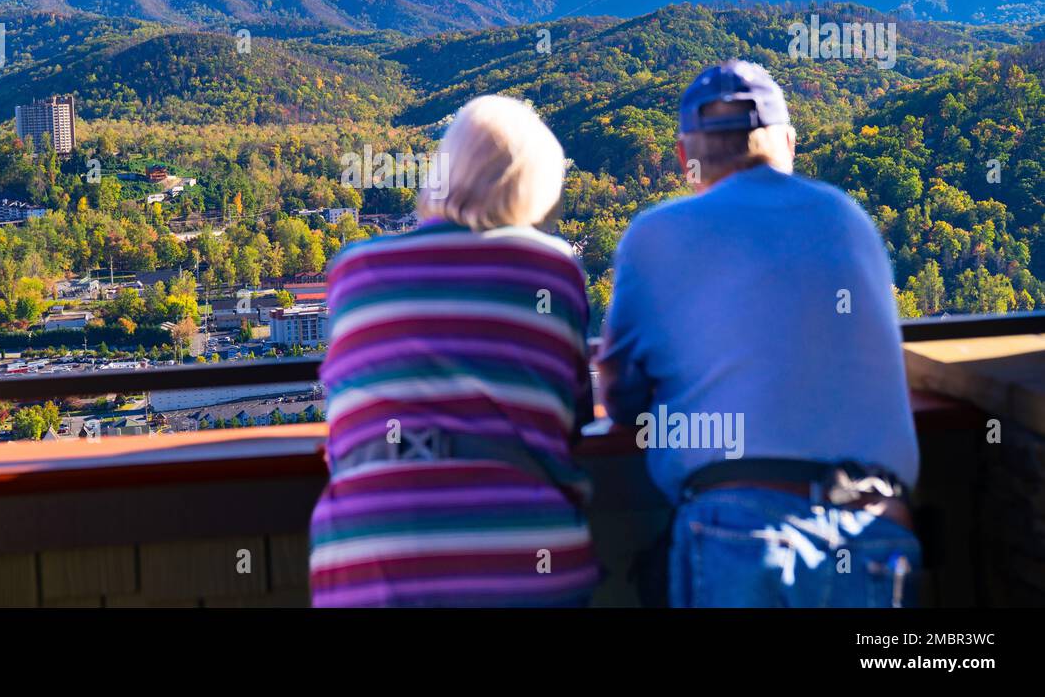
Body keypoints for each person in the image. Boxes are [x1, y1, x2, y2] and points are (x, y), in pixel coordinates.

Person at [597, 60, 921, 608]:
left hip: (738, 528)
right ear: (789, 144)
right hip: (875, 527)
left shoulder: (657, 234)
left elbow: (621, 395)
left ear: (684, 159)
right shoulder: (849, 219)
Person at [309, 94, 600, 607]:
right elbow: (570, 422)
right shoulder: (554, 272)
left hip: (369, 563)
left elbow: (346, 413)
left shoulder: (356, 270)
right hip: (527, 560)